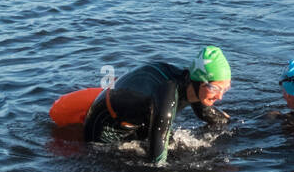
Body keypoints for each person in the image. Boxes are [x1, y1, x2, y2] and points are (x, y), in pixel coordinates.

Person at [82, 46, 232, 165]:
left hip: (138, 118)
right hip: (104, 128)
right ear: (199, 81)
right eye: (215, 88)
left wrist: (232, 123)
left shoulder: (191, 84)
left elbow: (205, 113)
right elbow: (156, 162)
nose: (220, 96)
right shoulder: (167, 93)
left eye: (225, 89)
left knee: (174, 146)